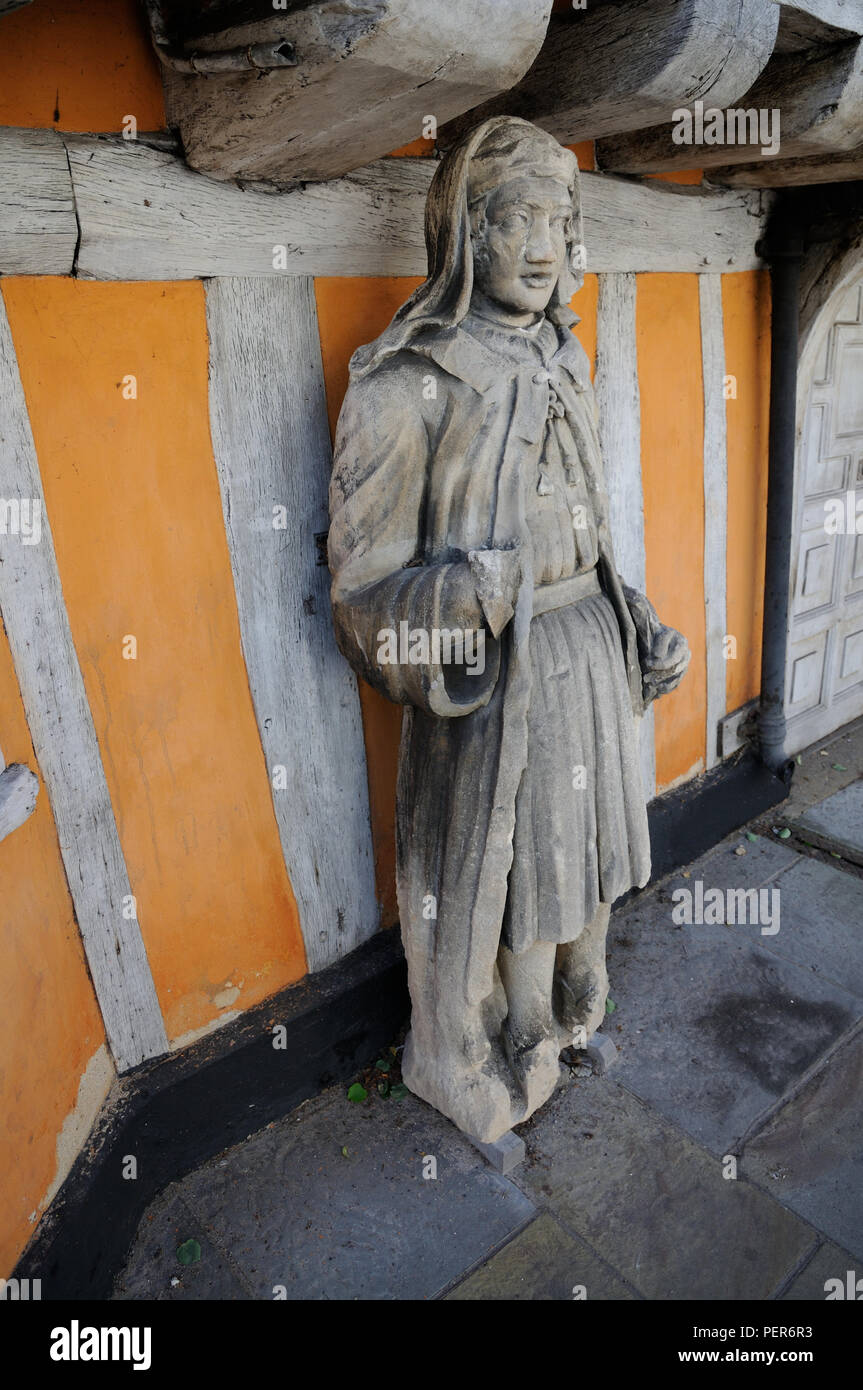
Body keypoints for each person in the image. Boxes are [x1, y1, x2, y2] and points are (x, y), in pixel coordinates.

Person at [328, 116, 689, 1143]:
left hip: (586, 653)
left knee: (591, 847)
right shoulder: (406, 384)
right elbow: (361, 601)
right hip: (497, 679)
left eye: (558, 220)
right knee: (525, 859)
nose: (543, 245)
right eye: (515, 218)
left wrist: (634, 618)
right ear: (463, 232)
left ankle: (580, 1002)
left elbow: (585, 523)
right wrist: (471, 592)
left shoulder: (563, 359)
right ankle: (506, 1035)